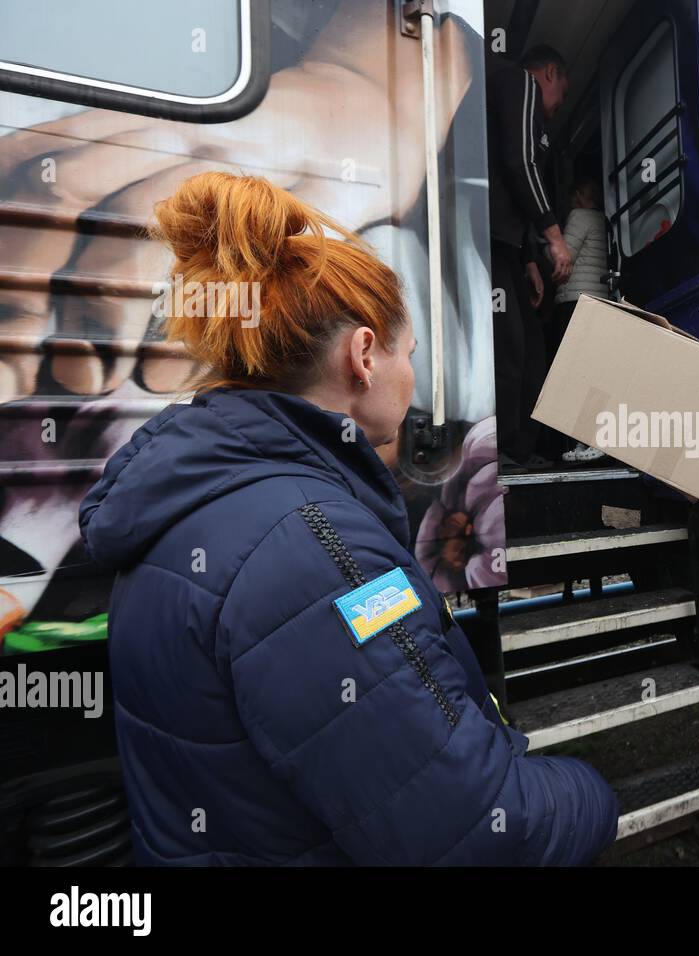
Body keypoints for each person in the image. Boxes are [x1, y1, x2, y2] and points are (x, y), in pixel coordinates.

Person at [78, 172, 618, 865]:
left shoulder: (182, 506)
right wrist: (591, 793)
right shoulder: (320, 556)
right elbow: (482, 833)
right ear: (364, 356)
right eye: (409, 354)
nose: (414, 379)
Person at [487, 45, 571, 471]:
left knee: (532, 349)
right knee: (510, 347)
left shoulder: (522, 100)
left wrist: (529, 261)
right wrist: (554, 236)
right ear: (549, 73)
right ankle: (501, 449)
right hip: (486, 243)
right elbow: (519, 163)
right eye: (562, 95)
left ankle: (521, 449)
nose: (556, 110)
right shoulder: (518, 82)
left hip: (510, 248)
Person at [551, 175, 610, 464]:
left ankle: (587, 441)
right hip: (599, 302)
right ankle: (594, 440)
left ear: (577, 194)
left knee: (575, 378)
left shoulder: (578, 216)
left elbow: (565, 257)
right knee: (594, 374)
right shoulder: (604, 219)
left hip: (575, 301)